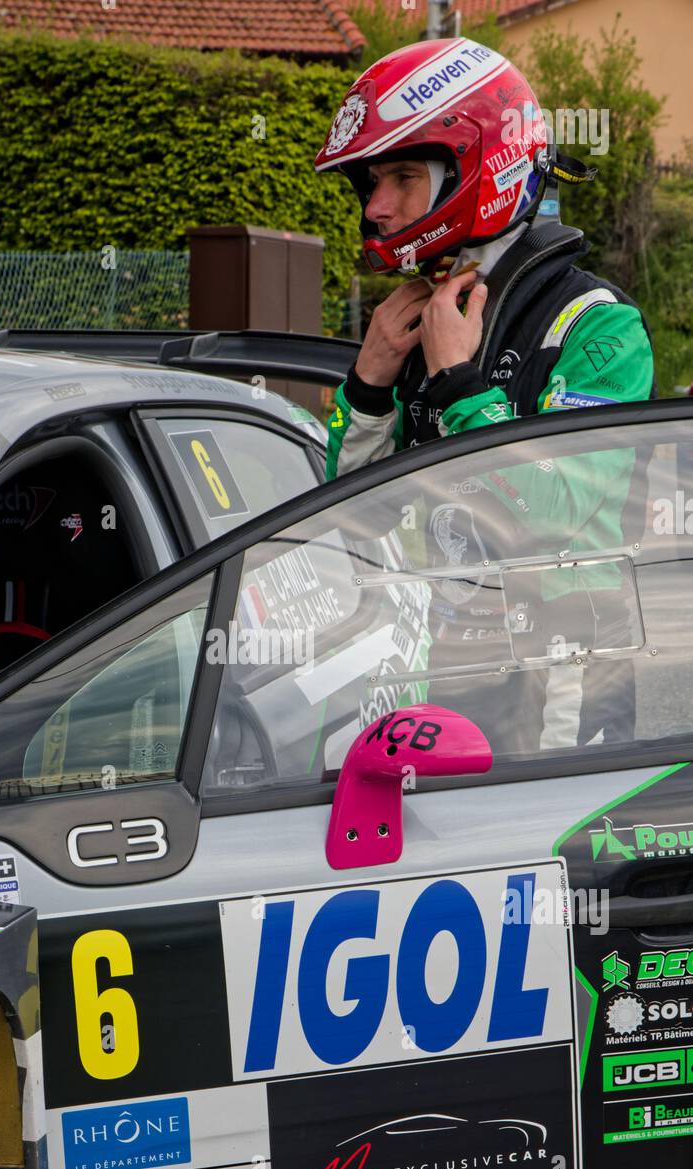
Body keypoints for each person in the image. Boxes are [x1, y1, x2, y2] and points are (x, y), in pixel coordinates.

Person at [314, 38, 656, 752]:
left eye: (402, 176)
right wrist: (371, 382)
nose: (376, 206)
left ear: (481, 167)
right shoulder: (425, 312)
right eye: (371, 182)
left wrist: (462, 385)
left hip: (565, 675)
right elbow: (356, 522)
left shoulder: (600, 327)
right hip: (456, 657)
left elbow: (547, 520)